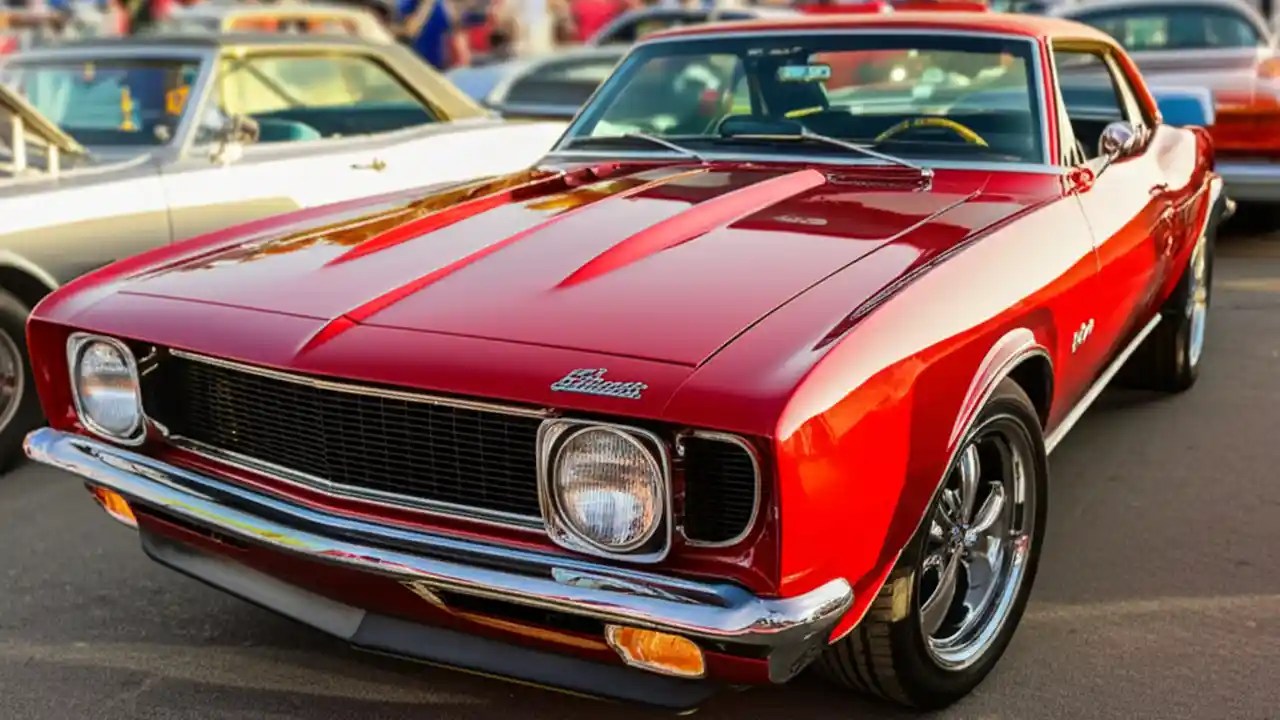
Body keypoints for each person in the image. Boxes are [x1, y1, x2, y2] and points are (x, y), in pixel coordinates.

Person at [398, 0, 470, 70]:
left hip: (437, 65)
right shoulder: (408, 3)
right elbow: (409, 32)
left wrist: (464, 63)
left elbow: (457, 34)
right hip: (413, 60)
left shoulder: (443, 5)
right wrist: (427, 5)